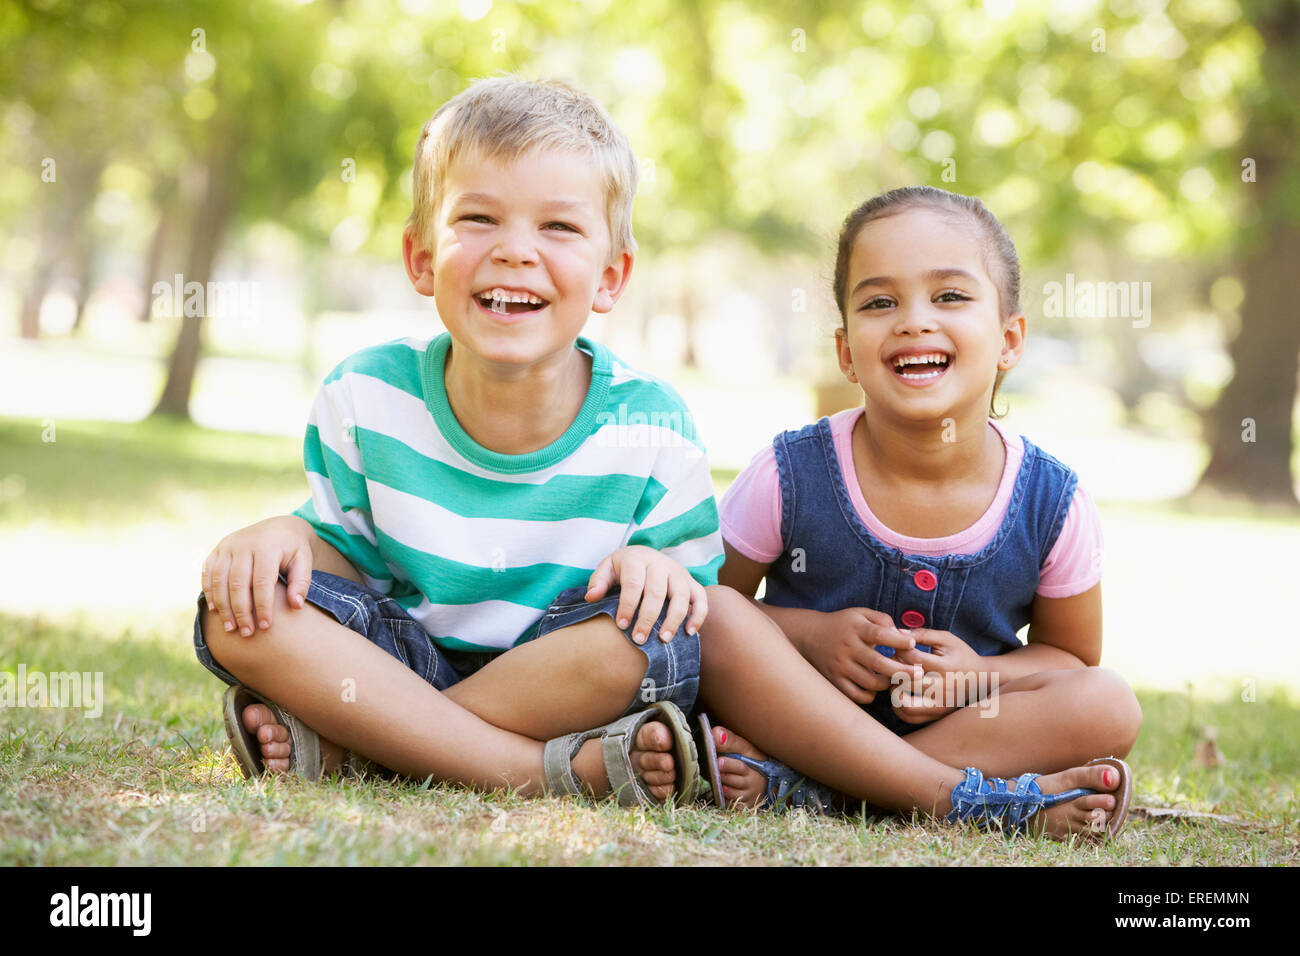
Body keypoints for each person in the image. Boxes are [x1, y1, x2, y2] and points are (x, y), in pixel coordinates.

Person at [192, 76, 724, 806]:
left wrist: (653, 566)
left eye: (558, 227)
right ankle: (545, 773)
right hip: (402, 659)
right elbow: (346, 565)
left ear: (610, 276)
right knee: (240, 613)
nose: (515, 252)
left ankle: (372, 745)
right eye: (478, 219)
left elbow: (692, 608)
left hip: (559, 675)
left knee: (643, 641)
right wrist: (281, 534)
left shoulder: (652, 422)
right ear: (420, 259)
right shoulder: (366, 395)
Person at [694, 186, 1142, 839]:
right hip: (800, 716)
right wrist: (809, 636)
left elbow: (1069, 660)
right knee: (712, 623)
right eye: (880, 302)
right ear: (846, 350)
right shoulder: (789, 473)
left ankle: (819, 791)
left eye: (951, 297)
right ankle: (969, 800)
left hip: (970, 732)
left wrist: (977, 677)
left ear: (1010, 339)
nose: (914, 321)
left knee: (1109, 704)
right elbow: (706, 608)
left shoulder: (1053, 501)